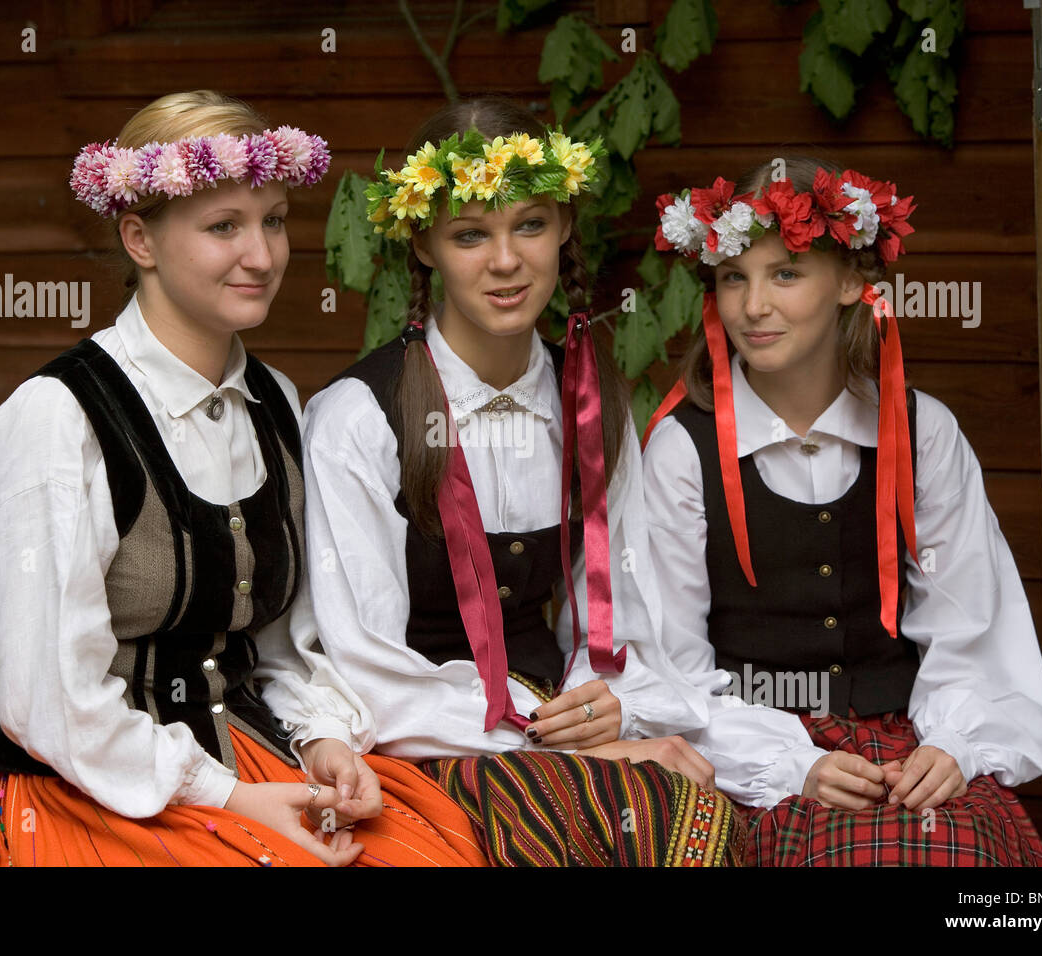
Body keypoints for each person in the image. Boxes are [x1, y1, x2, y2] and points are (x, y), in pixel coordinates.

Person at [0, 90, 486, 868]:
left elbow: (281, 642)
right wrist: (225, 796)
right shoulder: (57, 419)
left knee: (439, 854)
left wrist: (321, 737)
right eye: (223, 227)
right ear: (139, 239)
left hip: (248, 760)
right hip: (91, 792)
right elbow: (46, 700)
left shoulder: (276, 402)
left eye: (275, 220)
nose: (262, 255)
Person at [301, 97, 744, 866]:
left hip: (554, 724)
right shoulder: (357, 417)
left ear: (565, 225)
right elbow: (363, 663)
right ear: (425, 246)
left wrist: (611, 707)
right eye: (471, 234)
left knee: (698, 814)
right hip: (425, 740)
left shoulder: (590, 405)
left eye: (530, 225)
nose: (506, 262)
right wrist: (560, 752)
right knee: (611, 820)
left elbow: (617, 623)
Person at [641, 157, 1042, 865]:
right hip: (748, 756)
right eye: (734, 278)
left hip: (902, 745)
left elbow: (971, 635)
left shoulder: (923, 433)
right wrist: (785, 762)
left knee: (950, 851)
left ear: (854, 282)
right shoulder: (683, 448)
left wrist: (952, 746)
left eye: (786, 274)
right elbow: (670, 666)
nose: (753, 306)